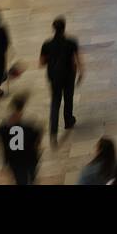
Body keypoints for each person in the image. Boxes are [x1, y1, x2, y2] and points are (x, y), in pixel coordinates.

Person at [38, 17, 82, 145]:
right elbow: (78, 59)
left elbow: (41, 63)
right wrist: (81, 72)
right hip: (69, 75)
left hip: (54, 76)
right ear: (64, 28)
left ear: (53, 28)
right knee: (68, 98)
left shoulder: (47, 44)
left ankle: (53, 132)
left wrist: (50, 60)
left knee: (55, 101)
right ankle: (68, 121)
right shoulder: (71, 42)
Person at [0, 95, 41, 185]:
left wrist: (5, 162)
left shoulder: (3, 129)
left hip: (14, 161)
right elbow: (37, 142)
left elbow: (1, 145)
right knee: (32, 177)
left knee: (21, 181)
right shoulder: (29, 128)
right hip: (29, 158)